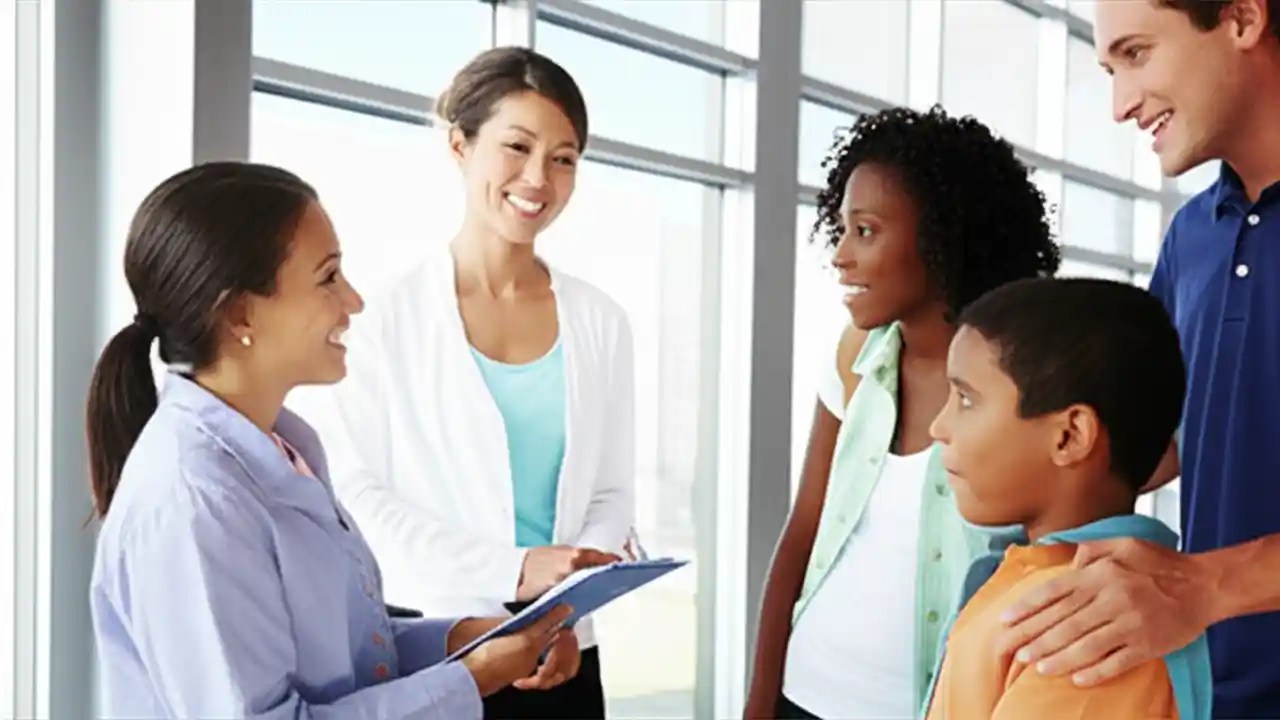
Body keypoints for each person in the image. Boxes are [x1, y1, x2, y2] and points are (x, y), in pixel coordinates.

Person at [87, 162, 581, 719]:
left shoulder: (283, 453)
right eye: (328, 278)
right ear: (239, 313)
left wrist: (475, 637)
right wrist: (472, 678)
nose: (354, 301)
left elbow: (345, 648)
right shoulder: (193, 500)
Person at [309, 47, 633, 719]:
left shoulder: (601, 321)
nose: (538, 178)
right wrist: (513, 570)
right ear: (460, 145)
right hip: (440, 648)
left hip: (567, 649)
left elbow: (610, 490)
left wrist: (568, 602)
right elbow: (359, 495)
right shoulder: (385, 314)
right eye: (516, 147)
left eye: (563, 158)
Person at [998, 2, 1280, 716]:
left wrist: (1208, 584)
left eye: (1136, 54)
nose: (1121, 105)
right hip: (1212, 689)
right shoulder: (1194, 236)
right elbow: (1167, 436)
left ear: (1243, 17)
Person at [743, 105, 1060, 720]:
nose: (840, 254)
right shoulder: (855, 354)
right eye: (841, 229)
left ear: (943, 238)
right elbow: (804, 531)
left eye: (865, 230)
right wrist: (759, 703)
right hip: (802, 696)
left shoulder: (1029, 381)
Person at [923, 277, 1212, 720]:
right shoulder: (1038, 577)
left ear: (1069, 436)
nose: (938, 427)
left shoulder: (1090, 628)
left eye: (966, 399)